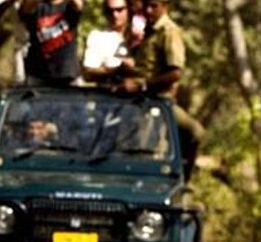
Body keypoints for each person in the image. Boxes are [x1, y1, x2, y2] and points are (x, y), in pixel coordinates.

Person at [116, 0, 204, 182]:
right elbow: (146, 68)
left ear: (165, 6)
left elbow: (175, 73)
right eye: (146, 6)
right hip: (140, 101)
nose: (148, 11)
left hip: (159, 101)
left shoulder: (169, 32)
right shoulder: (147, 31)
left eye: (153, 6)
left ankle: (182, 181)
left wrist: (142, 85)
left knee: (194, 133)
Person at [17, 0, 85, 87]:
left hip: (68, 72)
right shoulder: (35, 6)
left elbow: (78, 5)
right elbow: (24, 10)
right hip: (38, 74)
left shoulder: (69, 6)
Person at [81, 0, 134, 86]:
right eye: (110, 11)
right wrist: (116, 70)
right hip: (107, 94)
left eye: (119, 10)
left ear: (129, 10)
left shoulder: (141, 34)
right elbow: (88, 73)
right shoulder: (97, 37)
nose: (115, 15)